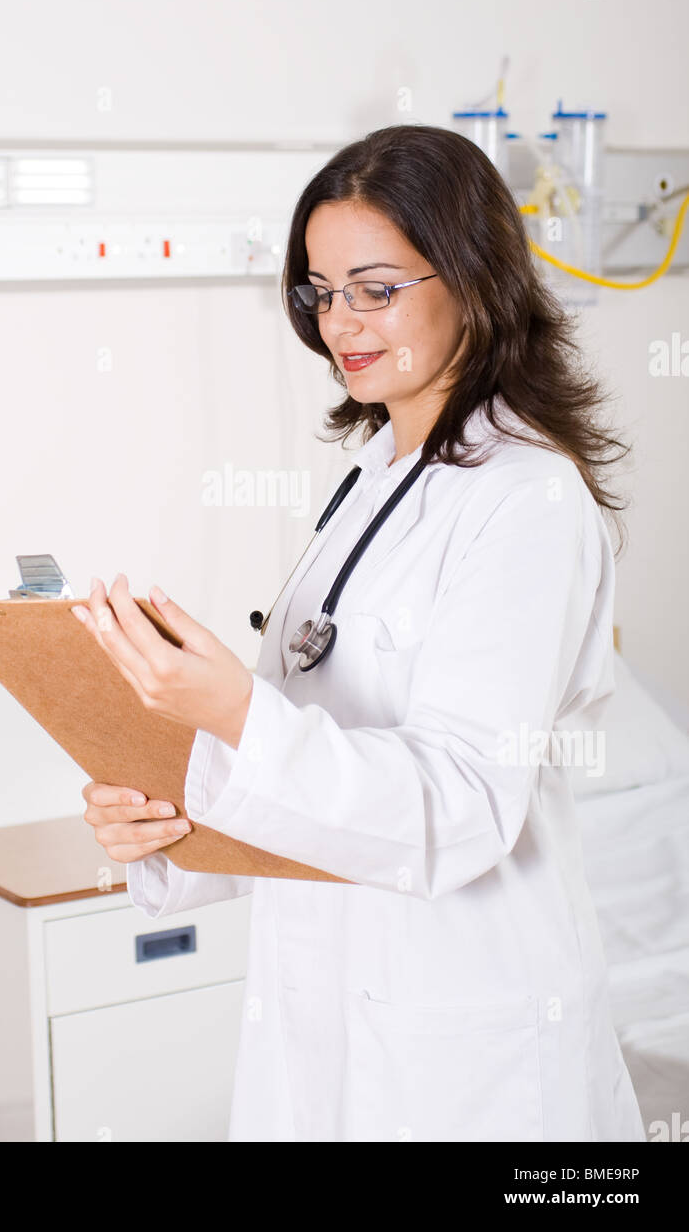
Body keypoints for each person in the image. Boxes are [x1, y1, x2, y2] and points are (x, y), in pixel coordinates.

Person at [75, 124, 647, 1143]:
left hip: (465, 1032)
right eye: (318, 290)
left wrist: (236, 713)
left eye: (374, 287)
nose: (339, 320)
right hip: (329, 1002)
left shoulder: (526, 501)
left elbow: (460, 802)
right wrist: (170, 814)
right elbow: (311, 764)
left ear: (470, 276)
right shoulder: (372, 484)